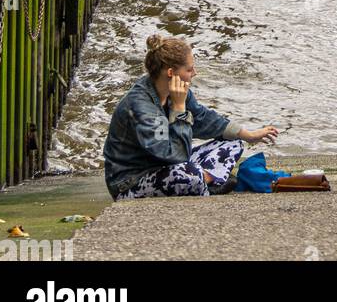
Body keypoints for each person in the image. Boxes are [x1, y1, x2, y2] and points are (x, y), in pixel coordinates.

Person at [103, 34, 278, 200]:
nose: (194, 73)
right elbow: (175, 155)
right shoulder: (142, 106)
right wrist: (179, 108)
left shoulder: (176, 90)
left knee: (232, 143)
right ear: (171, 72)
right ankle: (207, 183)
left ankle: (207, 179)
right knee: (190, 175)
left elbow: (202, 118)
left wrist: (247, 134)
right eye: (189, 69)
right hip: (131, 183)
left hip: (167, 166)